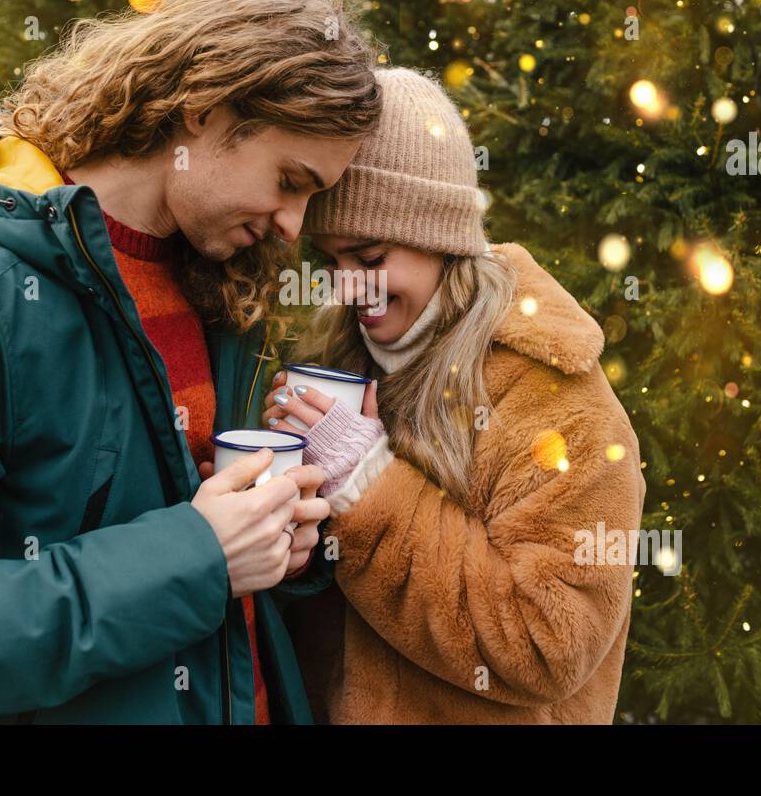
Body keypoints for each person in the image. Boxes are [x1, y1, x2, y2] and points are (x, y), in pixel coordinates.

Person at [0, 0, 382, 724]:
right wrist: (195, 556)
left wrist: (279, 545)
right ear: (203, 108)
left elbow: (215, 587)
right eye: (290, 180)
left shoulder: (225, 292)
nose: (295, 225)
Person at [265, 67, 647, 723]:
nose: (350, 290)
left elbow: (546, 642)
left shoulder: (558, 400)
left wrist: (366, 485)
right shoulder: (334, 361)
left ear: (441, 236)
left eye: (370, 255)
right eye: (330, 264)